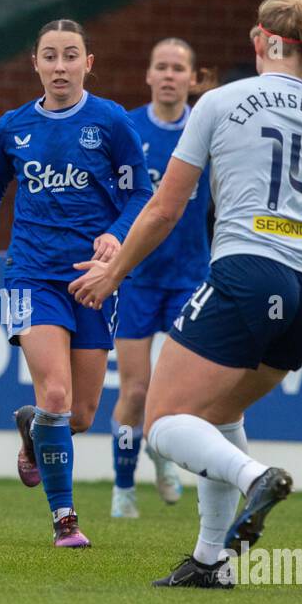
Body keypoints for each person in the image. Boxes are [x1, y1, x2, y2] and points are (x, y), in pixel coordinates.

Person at [70, 0, 302, 588]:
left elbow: (167, 207)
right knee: (222, 415)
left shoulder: (220, 101)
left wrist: (114, 273)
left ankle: (255, 477)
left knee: (164, 421)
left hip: (248, 272)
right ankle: (212, 561)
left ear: (258, 39)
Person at [0, 19, 153, 548]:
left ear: (88, 63)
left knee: (79, 414)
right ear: (35, 64)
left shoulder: (112, 122)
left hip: (93, 281)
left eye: (70, 55)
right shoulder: (14, 126)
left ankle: (33, 433)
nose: (59, 66)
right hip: (30, 276)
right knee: (54, 392)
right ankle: (65, 519)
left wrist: (116, 236)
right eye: (49, 56)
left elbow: (141, 193)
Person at [110, 38, 214, 521]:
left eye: (179, 68)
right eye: (161, 67)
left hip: (190, 276)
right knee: (134, 391)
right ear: (148, 76)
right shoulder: (127, 128)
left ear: (193, 79)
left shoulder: (207, 128)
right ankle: (124, 489)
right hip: (136, 277)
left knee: (182, 395)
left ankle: (163, 453)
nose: (169, 75)